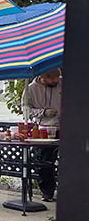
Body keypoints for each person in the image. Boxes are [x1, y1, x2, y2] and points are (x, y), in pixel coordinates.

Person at [21, 68, 62, 201]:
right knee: (45, 161)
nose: (55, 81)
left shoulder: (62, 84)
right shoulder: (31, 89)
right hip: (43, 128)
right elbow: (27, 109)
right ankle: (47, 192)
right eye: (52, 79)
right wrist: (43, 112)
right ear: (42, 77)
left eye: (57, 78)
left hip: (63, 126)